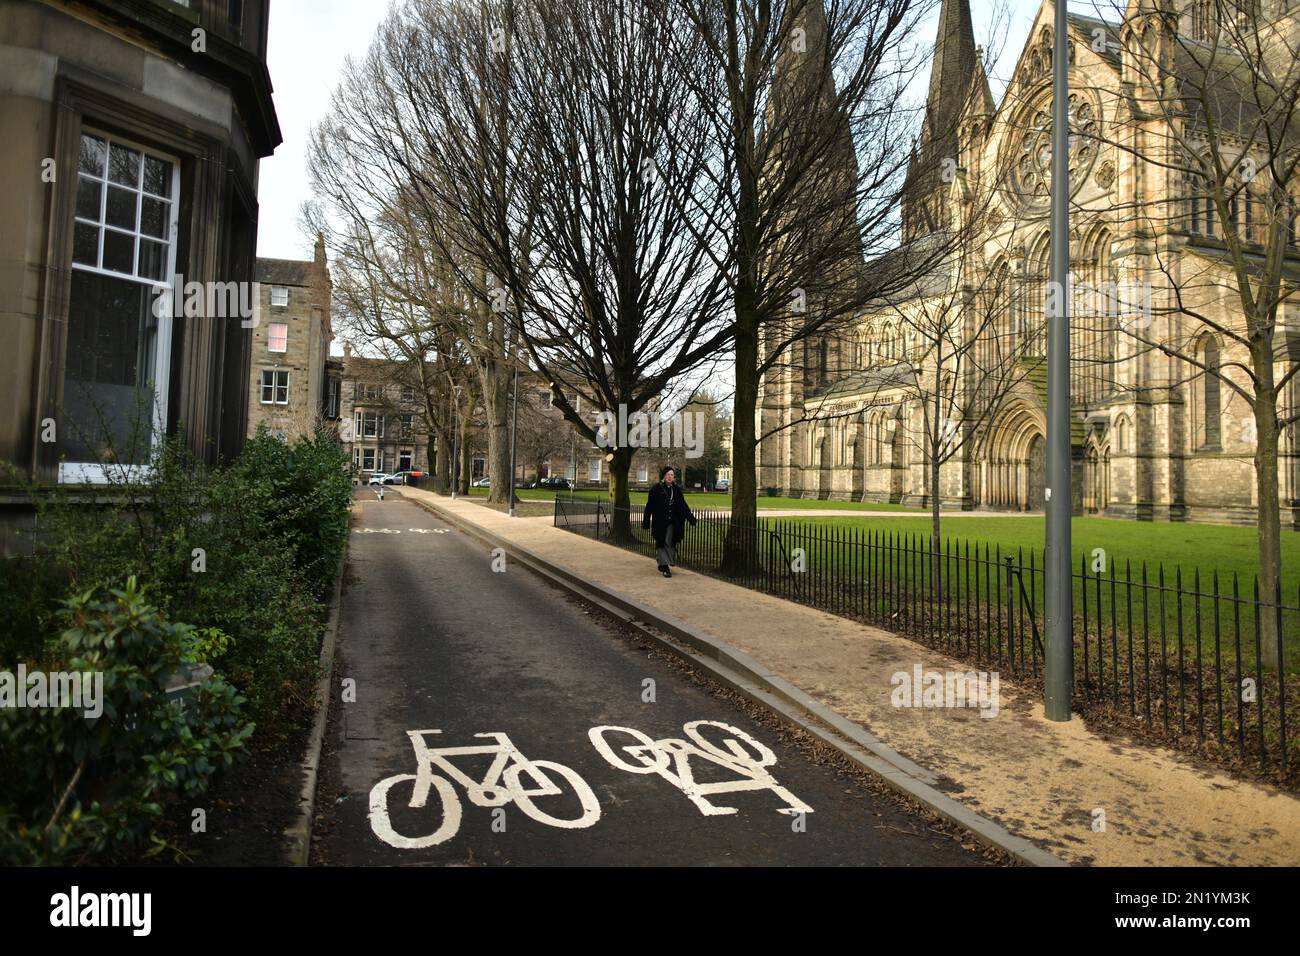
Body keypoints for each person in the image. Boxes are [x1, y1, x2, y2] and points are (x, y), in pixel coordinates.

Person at [642, 465, 697, 578]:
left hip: (673, 522)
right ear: (663, 476)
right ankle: (665, 566)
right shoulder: (656, 489)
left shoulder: (676, 490)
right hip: (660, 522)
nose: (670, 477)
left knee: (671, 541)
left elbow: (683, 506)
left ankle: (663, 562)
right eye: (668, 475)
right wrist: (646, 521)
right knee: (663, 541)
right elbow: (649, 506)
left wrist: (690, 518)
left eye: (672, 475)